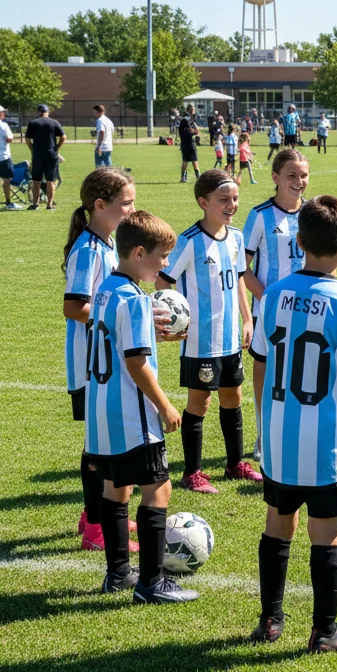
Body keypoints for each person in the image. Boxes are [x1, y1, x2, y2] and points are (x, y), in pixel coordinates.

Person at [249, 195, 337, 650]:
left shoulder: (275, 294)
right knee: (326, 532)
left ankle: (270, 621)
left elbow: (261, 363)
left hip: (281, 436)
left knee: (276, 523)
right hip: (327, 445)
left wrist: (264, 418)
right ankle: (324, 630)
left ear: (298, 240)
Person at [86, 210, 198, 604]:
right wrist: (165, 406)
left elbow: (116, 345)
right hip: (132, 416)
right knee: (159, 490)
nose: (165, 264)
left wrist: (152, 335)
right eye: (161, 256)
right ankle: (152, 583)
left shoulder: (104, 291)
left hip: (101, 416)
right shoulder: (135, 299)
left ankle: (117, 574)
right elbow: (135, 362)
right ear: (138, 253)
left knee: (116, 489)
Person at [157, 170, 260, 493]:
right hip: (200, 341)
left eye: (235, 199)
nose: (231, 205)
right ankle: (192, 472)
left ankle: (234, 464)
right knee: (199, 403)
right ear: (203, 202)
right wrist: (175, 321)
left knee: (233, 397)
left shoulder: (237, 237)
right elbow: (163, 281)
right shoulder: (189, 241)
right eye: (223, 200)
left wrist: (247, 319)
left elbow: (240, 279)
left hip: (230, 337)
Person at [64, 169, 140, 552]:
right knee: (98, 450)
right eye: (126, 203)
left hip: (104, 361)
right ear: (100, 205)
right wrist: (114, 314)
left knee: (99, 445)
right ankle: (96, 526)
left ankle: (91, 515)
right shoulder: (88, 249)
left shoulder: (108, 243)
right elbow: (73, 306)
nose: (132, 209)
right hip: (90, 364)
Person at [242, 149, 309, 462]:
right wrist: (265, 298)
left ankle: (297, 433)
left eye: (303, 175)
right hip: (269, 312)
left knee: (302, 375)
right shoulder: (260, 215)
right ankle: (262, 433)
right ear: (275, 178)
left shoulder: (313, 213)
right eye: (292, 175)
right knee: (267, 374)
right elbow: (242, 266)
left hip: (308, 311)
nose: (298, 181)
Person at [25, 103, 65, 211]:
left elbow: (27, 138)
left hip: (37, 155)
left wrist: (32, 149)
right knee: (50, 180)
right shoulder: (54, 122)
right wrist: (57, 148)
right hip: (51, 155)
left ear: (38, 112)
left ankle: (35, 204)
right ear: (47, 112)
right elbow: (63, 136)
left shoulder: (33, 123)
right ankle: (50, 204)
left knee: (36, 180)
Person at [179, 105, 201, 183]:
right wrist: (195, 129)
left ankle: (183, 177)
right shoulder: (188, 120)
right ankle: (198, 177)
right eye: (194, 109)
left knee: (185, 160)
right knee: (194, 160)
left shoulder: (183, 119)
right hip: (190, 144)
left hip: (184, 144)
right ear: (191, 110)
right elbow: (194, 131)